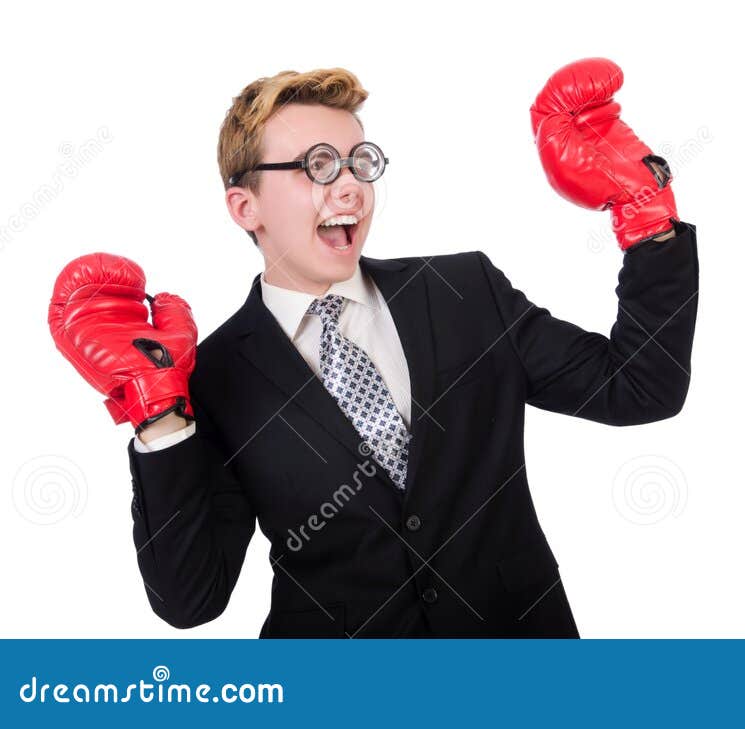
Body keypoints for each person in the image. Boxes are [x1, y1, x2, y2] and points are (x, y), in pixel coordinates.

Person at [47, 59, 699, 637]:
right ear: (246, 206)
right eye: (317, 166)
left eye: (361, 162)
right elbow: (192, 599)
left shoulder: (464, 291)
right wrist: (157, 412)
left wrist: (648, 217)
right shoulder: (212, 376)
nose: (351, 185)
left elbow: (641, 387)